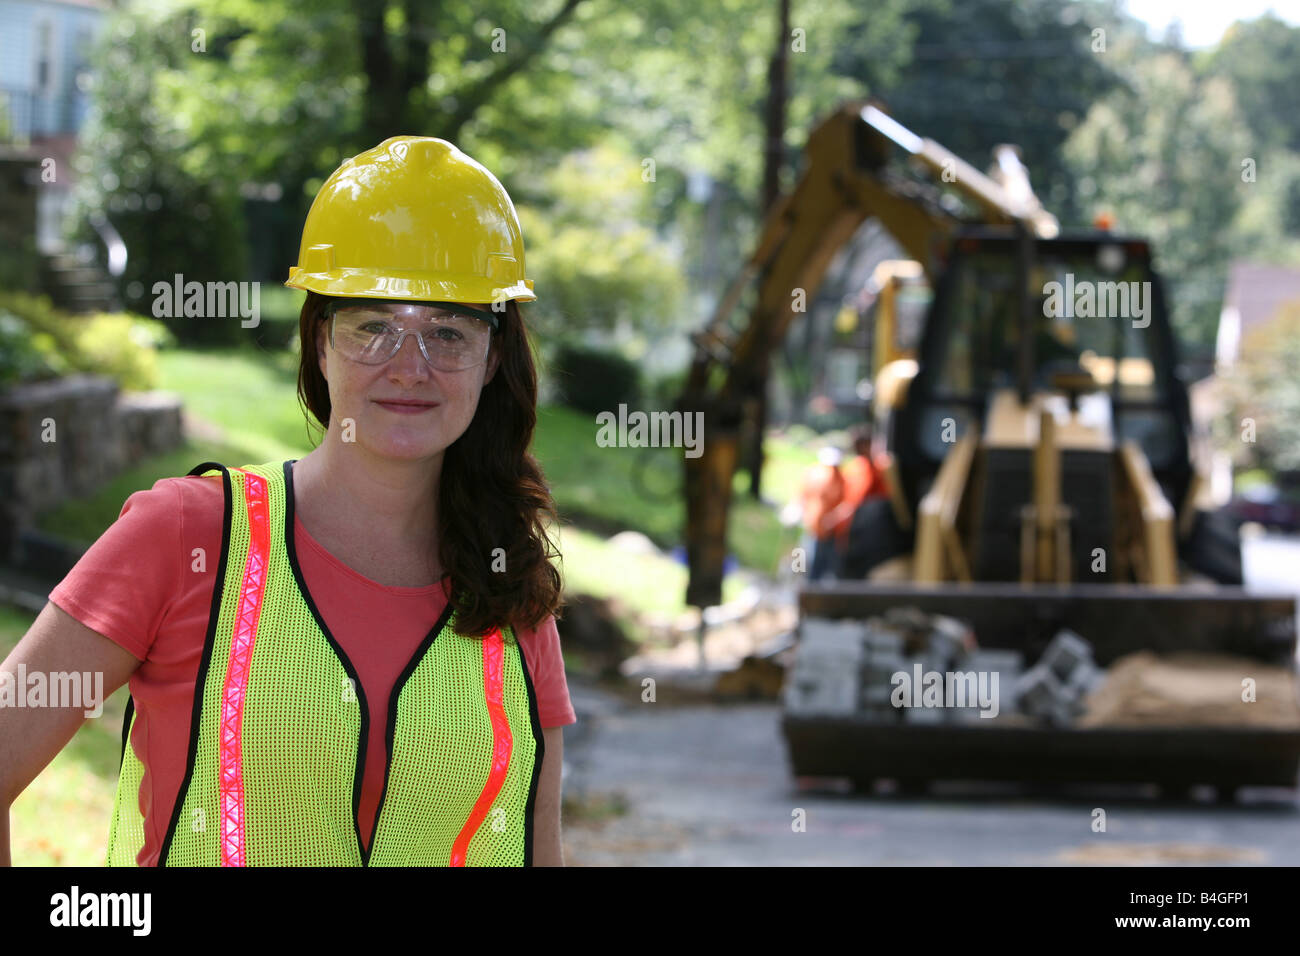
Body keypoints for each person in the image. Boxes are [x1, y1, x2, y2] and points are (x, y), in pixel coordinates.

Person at [0, 137, 574, 867]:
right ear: (321, 341)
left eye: (447, 332)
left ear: (492, 360)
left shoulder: (511, 591)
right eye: (373, 326)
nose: (409, 367)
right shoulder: (183, 535)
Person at [798, 446, 847, 580]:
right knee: (805, 562)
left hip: (829, 531)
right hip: (814, 527)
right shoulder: (814, 474)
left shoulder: (841, 479)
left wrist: (833, 520)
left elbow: (846, 505)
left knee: (824, 567)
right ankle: (804, 588)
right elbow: (803, 497)